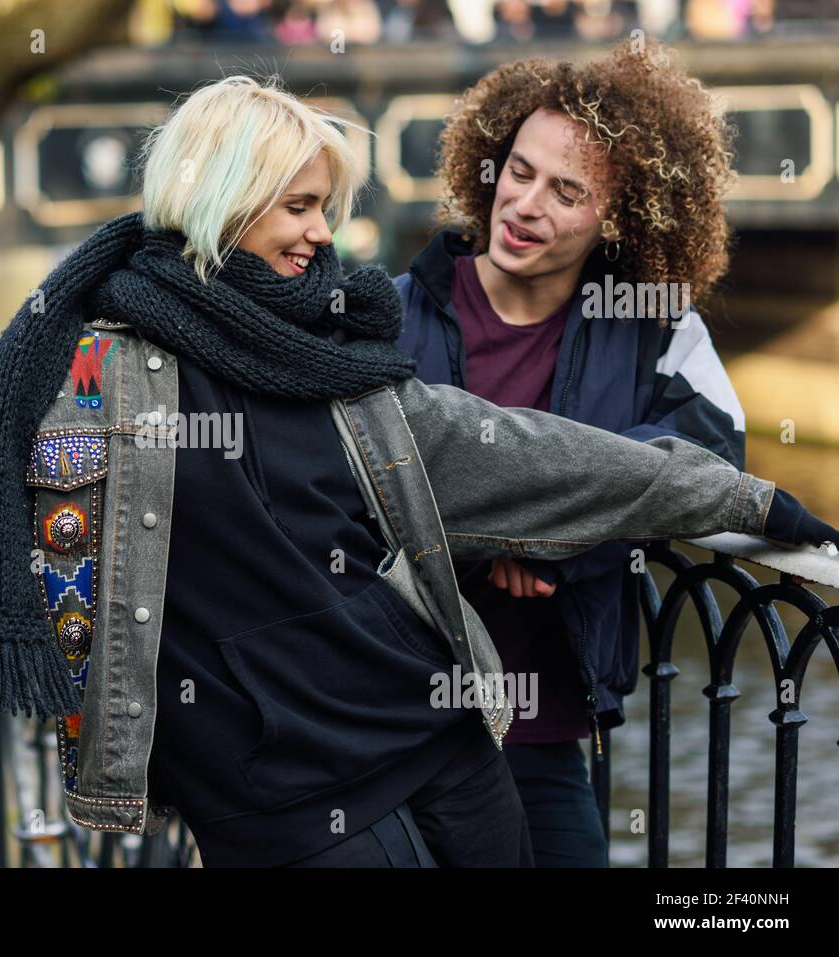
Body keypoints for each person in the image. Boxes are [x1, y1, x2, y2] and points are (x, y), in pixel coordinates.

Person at [0, 75, 837, 868]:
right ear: (221, 205)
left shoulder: (350, 361)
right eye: (298, 211)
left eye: (327, 210)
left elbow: (543, 461)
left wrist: (747, 502)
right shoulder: (69, 381)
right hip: (283, 807)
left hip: (450, 750)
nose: (325, 240)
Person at [395, 39, 748, 866]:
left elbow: (709, 462)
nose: (524, 204)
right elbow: (350, 481)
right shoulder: (396, 313)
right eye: (518, 171)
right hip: (390, 721)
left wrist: (564, 543)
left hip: (543, 725)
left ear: (618, 215)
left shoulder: (658, 326)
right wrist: (509, 526)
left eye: (566, 191)